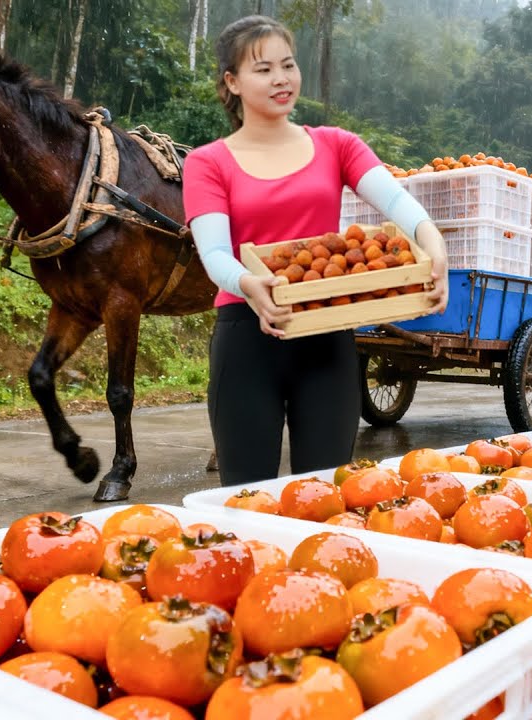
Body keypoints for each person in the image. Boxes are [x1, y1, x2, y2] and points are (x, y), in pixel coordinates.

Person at [183, 15, 449, 487]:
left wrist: (433, 244)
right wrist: (250, 283)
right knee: (248, 496)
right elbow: (215, 253)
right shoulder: (208, 163)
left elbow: (397, 203)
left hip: (327, 336)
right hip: (248, 335)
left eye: (288, 65)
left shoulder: (335, 145)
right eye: (263, 69)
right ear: (233, 82)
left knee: (325, 495)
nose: (281, 79)